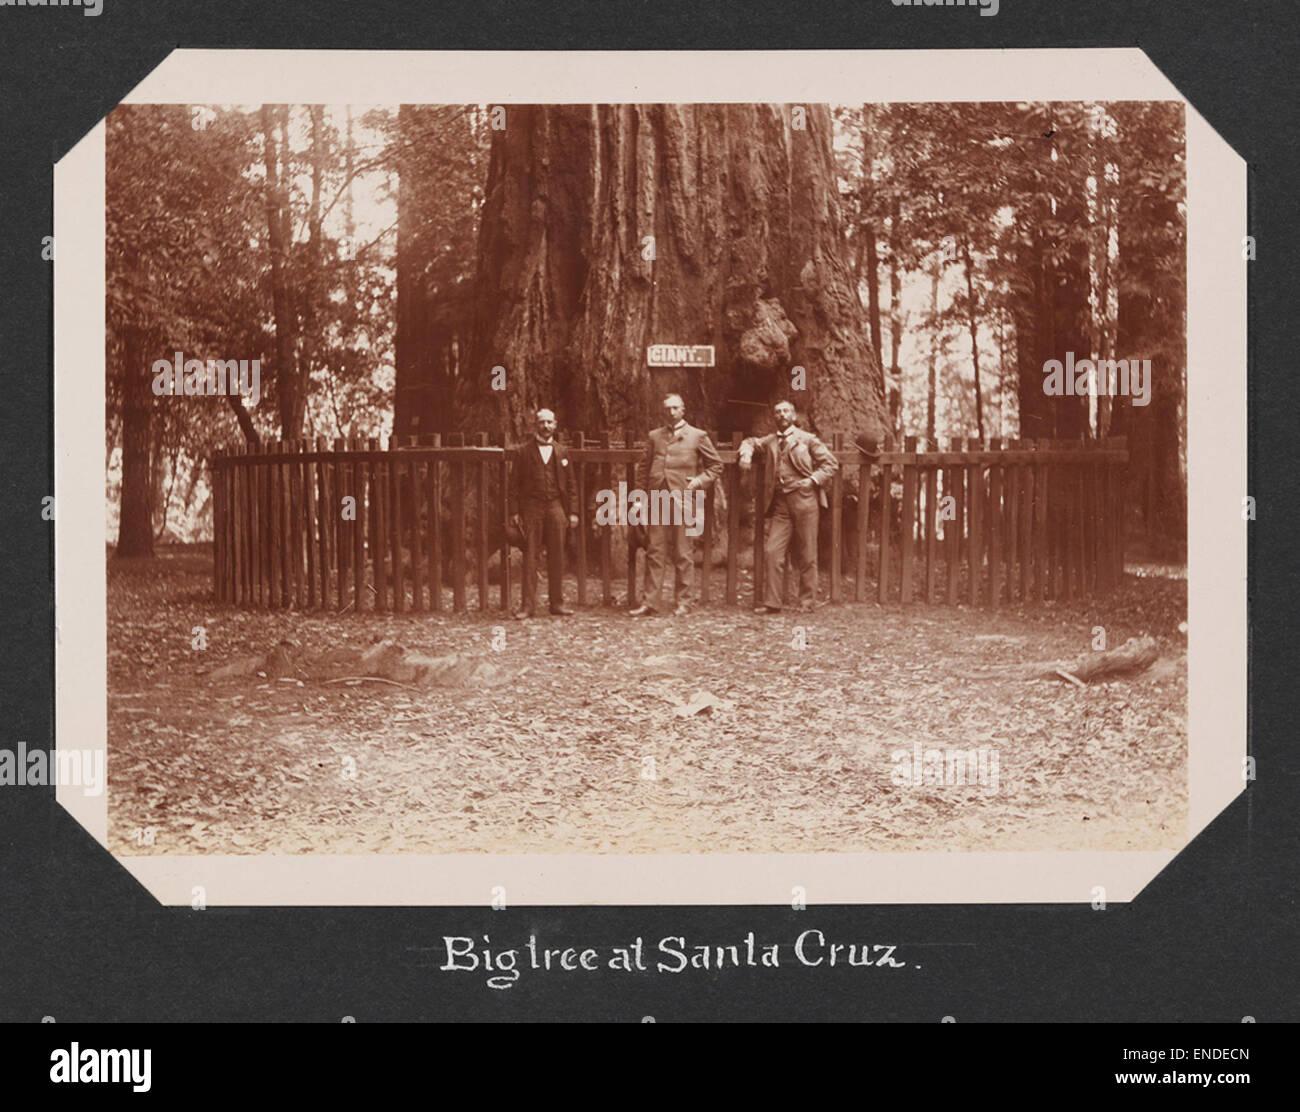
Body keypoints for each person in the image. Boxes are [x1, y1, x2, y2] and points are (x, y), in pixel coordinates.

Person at [738, 400, 839, 613]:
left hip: (805, 501)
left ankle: (807, 602)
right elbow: (750, 441)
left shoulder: (808, 439)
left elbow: (830, 464)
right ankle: (773, 604)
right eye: (778, 412)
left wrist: (813, 480)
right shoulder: (771, 440)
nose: (782, 415)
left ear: (793, 416)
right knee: (772, 551)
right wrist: (746, 454)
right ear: (774, 417)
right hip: (781, 506)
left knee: (807, 553)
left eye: (786, 411)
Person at [629, 393, 723, 617]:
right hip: (657, 499)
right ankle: (650, 602)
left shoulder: (698, 436)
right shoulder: (654, 436)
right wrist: (639, 500)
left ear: (683, 410)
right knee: (655, 550)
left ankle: (684, 602)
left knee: (683, 552)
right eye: (667, 409)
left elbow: (716, 465)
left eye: (675, 408)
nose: (671, 412)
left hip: (684, 499)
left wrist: (699, 481)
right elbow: (643, 470)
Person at [510, 408, 578, 619]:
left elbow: (571, 485)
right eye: (541, 422)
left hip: (556, 507)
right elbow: (513, 485)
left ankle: (557, 603)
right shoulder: (523, 452)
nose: (546, 426)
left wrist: (573, 512)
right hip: (532, 507)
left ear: (555, 425)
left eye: (549, 422)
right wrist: (514, 512)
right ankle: (527, 606)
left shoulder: (562, 452)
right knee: (531, 556)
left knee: (557, 556)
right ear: (535, 425)